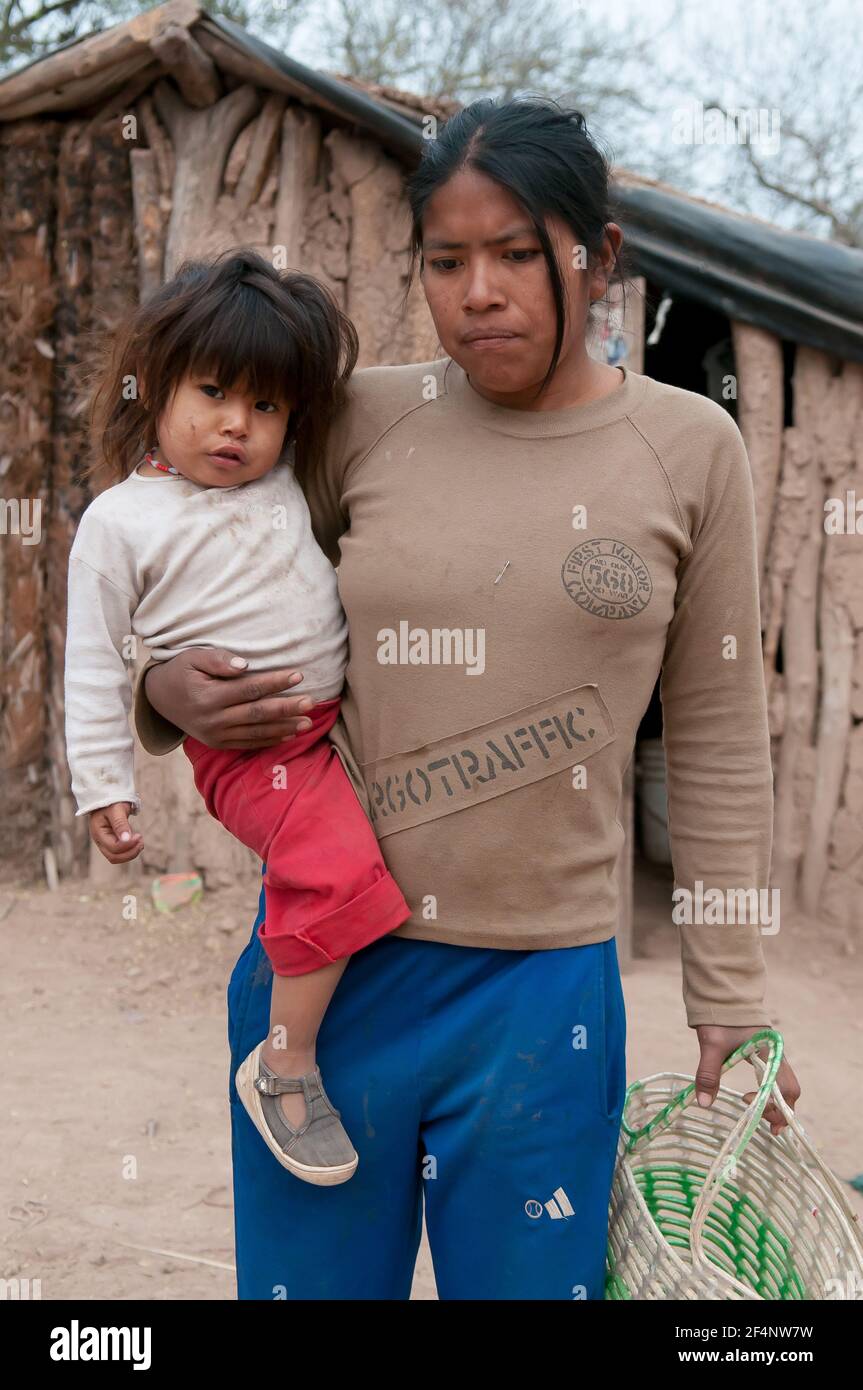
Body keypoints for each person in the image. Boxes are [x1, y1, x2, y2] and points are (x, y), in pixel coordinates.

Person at [132, 96, 801, 1300]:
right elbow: (185, 542)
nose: (476, 291)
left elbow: (712, 730)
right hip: (331, 981)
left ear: (596, 256)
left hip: (543, 996)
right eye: (445, 259)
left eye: (512, 253)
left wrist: (729, 995)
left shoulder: (689, 447)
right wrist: (159, 680)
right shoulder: (356, 419)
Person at [64, 249, 412, 1187]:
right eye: (212, 391)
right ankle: (284, 1064)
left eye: (264, 406)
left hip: (335, 726)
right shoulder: (121, 522)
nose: (235, 425)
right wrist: (105, 785)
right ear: (157, 384)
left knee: (359, 863)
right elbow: (95, 663)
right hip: (254, 751)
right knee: (335, 876)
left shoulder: (285, 480)